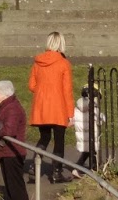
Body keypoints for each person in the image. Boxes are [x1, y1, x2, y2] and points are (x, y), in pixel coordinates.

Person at [28, 31, 74, 182]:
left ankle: (34, 165)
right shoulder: (64, 63)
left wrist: (43, 91)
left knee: (44, 137)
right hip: (58, 106)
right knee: (59, 140)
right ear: (61, 44)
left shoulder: (38, 62)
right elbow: (67, 90)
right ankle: (56, 172)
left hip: (41, 106)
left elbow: (32, 85)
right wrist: (71, 113)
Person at [71, 86, 104, 176]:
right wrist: (102, 117)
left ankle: (82, 168)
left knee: (88, 151)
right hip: (91, 132)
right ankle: (93, 168)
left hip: (82, 134)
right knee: (91, 150)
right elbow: (98, 120)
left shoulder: (79, 106)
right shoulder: (93, 107)